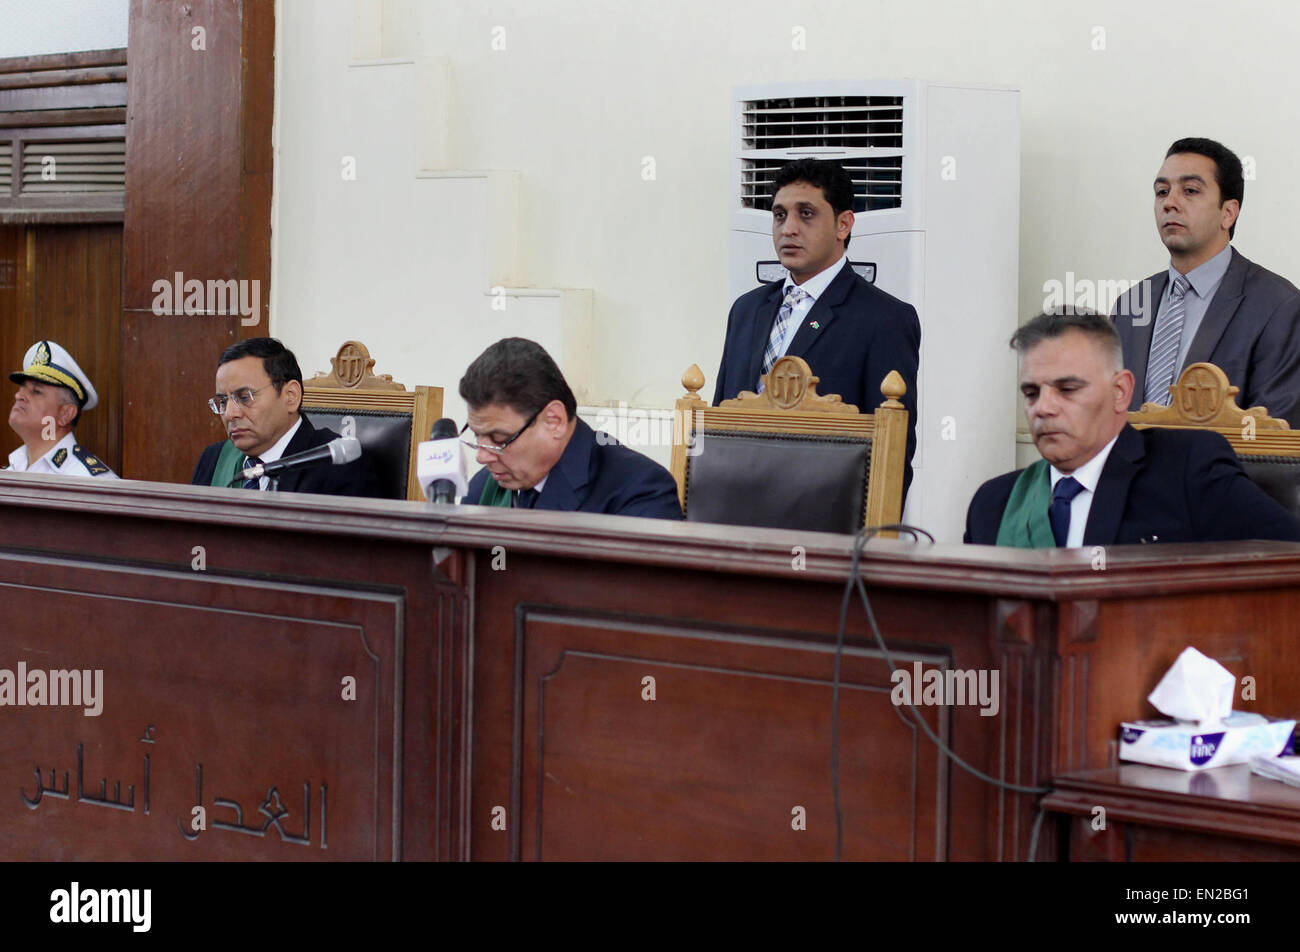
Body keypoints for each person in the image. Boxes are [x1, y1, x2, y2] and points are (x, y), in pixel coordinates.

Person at [965, 310, 1300, 547]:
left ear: (1120, 392)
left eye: (1067, 389)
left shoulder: (1189, 472)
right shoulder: (994, 504)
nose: (1043, 408)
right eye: (1031, 393)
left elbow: (1286, 562)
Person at [712, 158, 920, 495]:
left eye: (806, 214)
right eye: (780, 215)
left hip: (824, 520)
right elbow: (718, 421)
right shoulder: (746, 310)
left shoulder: (884, 319)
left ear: (843, 225)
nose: (788, 228)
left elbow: (893, 456)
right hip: (735, 509)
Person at [1112, 137, 1300, 424]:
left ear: (1228, 212)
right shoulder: (1130, 305)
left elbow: (1274, 441)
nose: (1170, 203)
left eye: (1190, 191)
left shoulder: (1278, 307)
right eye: (1162, 191)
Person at [459, 337, 683, 519]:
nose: (481, 456)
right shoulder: (484, 489)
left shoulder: (638, 491)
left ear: (553, 421)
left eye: (499, 438)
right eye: (478, 436)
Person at [191, 337, 382, 496]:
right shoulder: (214, 459)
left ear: (291, 396)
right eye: (223, 401)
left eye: (244, 397)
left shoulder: (340, 467)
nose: (230, 413)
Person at [5, 340, 117, 478]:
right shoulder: (11, 470)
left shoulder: (91, 483)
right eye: (22, 388)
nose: (19, 395)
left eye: (36, 391)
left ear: (66, 414)